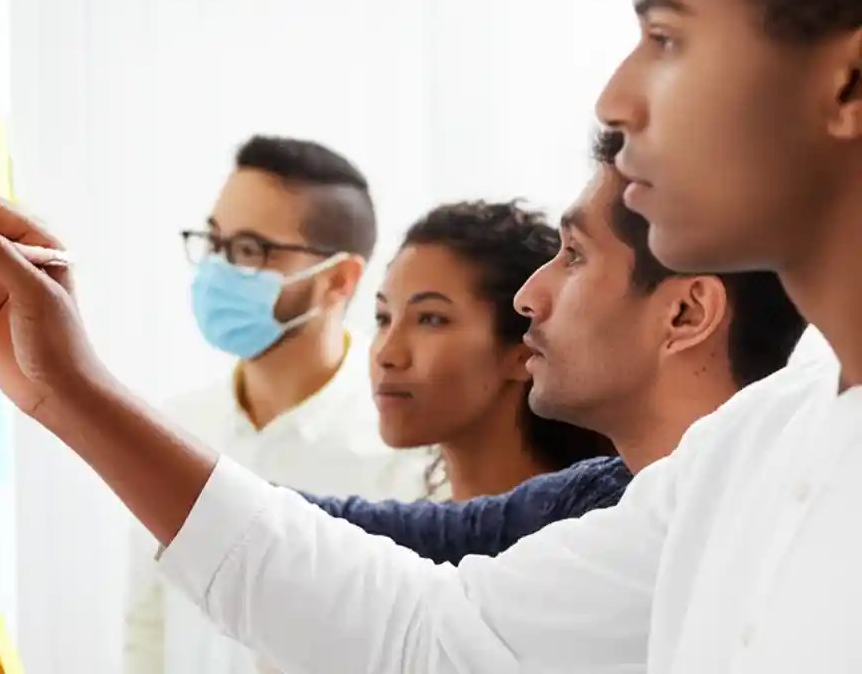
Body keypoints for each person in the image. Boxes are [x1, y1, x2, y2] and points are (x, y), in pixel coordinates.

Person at [0, 0, 861, 669]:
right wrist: (68, 391)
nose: (618, 93)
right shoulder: (756, 441)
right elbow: (428, 628)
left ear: (848, 85)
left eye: (667, 38)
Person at [309, 129, 805, 564]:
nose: (528, 299)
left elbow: (428, 619)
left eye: (574, 256)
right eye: (381, 317)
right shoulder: (601, 494)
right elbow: (408, 541)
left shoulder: (758, 534)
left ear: (686, 313)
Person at [124, 136, 432, 674]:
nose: (217, 269)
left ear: (338, 279)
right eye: (214, 242)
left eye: (248, 251)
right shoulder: (177, 429)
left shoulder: (404, 453)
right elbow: (147, 631)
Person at [370, 200, 614, 502]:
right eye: (383, 318)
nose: (387, 355)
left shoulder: (581, 532)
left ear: (525, 352)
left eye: (431, 319)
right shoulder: (404, 533)